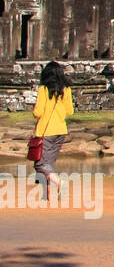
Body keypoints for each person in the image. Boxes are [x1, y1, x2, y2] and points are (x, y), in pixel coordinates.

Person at [32, 61, 74, 200]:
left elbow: (38, 112)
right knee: (48, 164)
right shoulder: (66, 90)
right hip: (61, 130)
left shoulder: (43, 89)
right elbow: (70, 111)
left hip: (46, 131)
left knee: (40, 164)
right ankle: (47, 195)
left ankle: (60, 183)